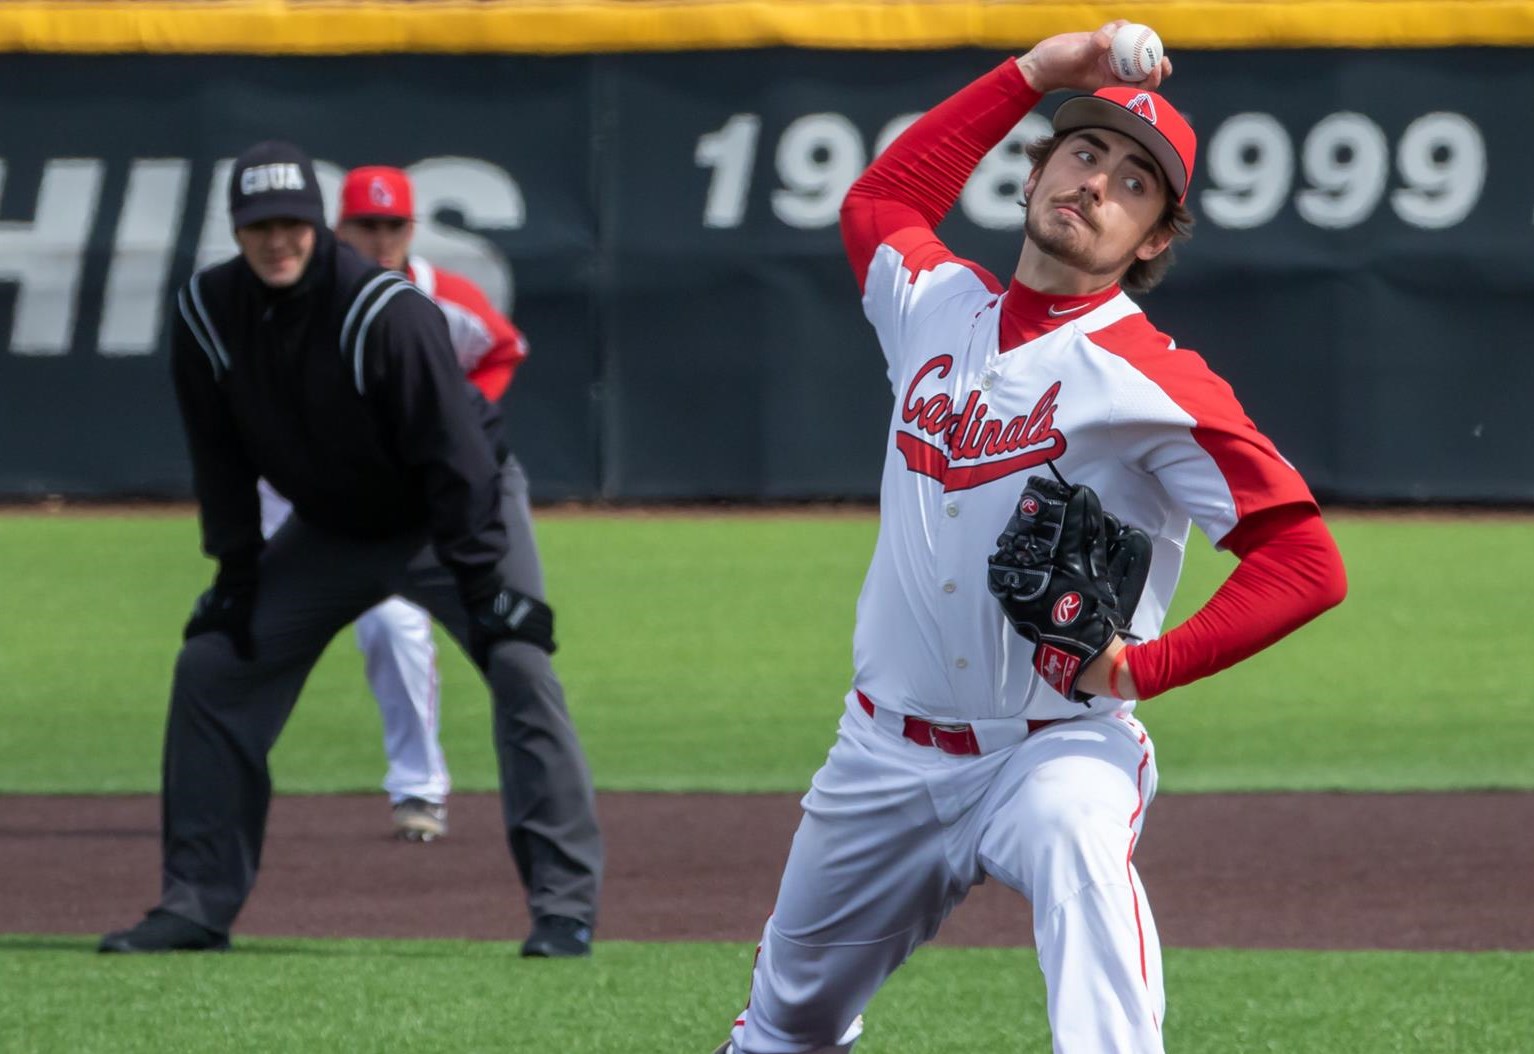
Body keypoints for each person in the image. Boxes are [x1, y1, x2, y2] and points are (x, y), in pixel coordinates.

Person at [712, 23, 1347, 1054]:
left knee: (1073, 841)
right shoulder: (932, 306)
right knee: (787, 1026)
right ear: (1037, 168)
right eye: (1083, 151)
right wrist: (1038, 73)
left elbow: (1304, 562)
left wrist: (1144, 667)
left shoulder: (1150, 379)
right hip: (881, 749)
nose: (1097, 183)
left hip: (1051, 750)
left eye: (1135, 184)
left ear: (1150, 242)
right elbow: (880, 201)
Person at [98, 140, 603, 957]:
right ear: (237, 229)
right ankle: (195, 905)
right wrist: (235, 573)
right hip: (333, 530)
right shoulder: (206, 311)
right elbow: (218, 452)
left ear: (317, 228)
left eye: (293, 223)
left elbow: (458, 456)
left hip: (449, 518)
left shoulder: (384, 311)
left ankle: (563, 909)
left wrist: (484, 584)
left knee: (519, 663)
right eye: (260, 225)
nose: (278, 241)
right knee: (212, 668)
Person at [251, 164, 532, 843]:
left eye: (392, 224)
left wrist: (461, 421)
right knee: (242, 647)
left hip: (396, 506)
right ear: (336, 228)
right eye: (364, 224)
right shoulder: (291, 298)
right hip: (295, 491)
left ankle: (417, 790)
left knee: (393, 626)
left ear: (411, 229)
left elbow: (503, 348)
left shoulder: (442, 295)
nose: (379, 237)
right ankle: (225, 792)